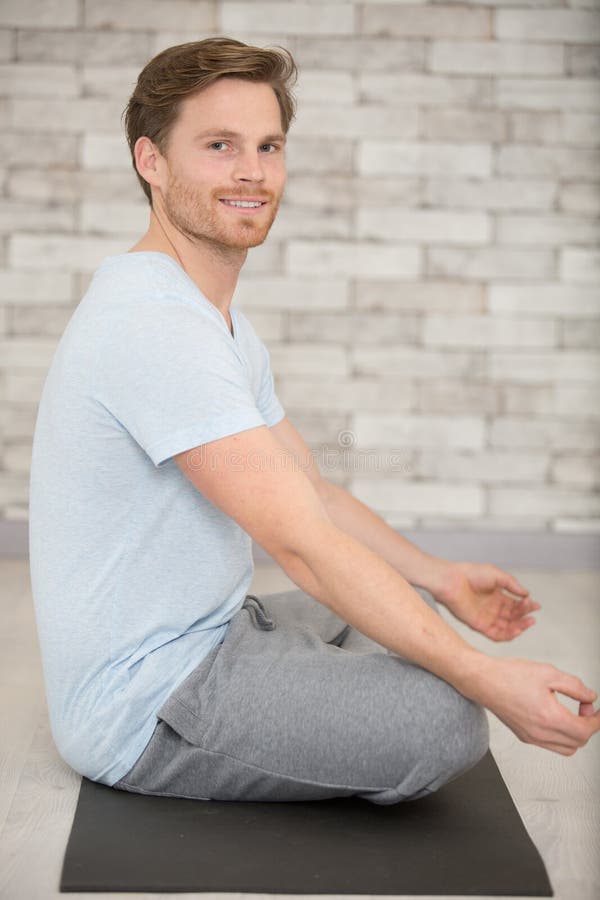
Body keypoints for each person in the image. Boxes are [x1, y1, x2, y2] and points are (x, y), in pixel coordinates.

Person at [28, 37, 599, 804]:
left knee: (412, 603)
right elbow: (299, 542)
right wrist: (488, 678)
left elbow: (311, 494)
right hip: (147, 700)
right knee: (448, 721)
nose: (252, 172)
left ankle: (401, 633)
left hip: (221, 627)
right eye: (219, 146)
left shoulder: (206, 315)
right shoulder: (152, 326)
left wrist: (443, 576)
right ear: (151, 162)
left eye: (268, 146)